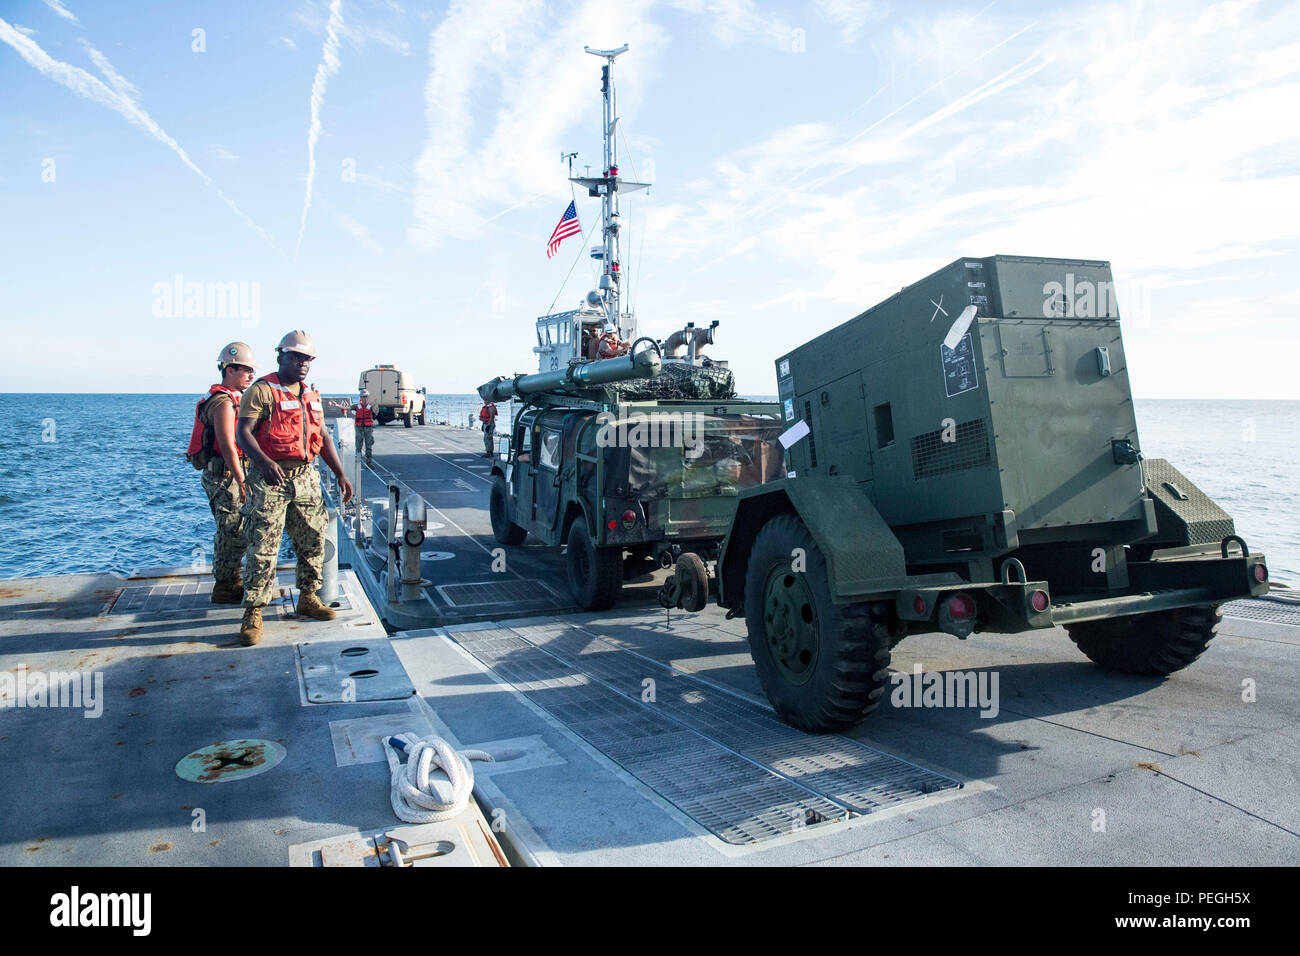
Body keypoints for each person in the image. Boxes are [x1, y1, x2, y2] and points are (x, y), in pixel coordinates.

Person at [235, 330, 354, 646]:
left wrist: (340, 474)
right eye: (296, 357)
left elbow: (324, 437)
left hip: (306, 477)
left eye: (307, 359)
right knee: (263, 546)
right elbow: (242, 433)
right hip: (270, 479)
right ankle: (253, 612)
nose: (303, 363)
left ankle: (309, 597)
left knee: (313, 539)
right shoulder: (261, 391)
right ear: (281, 356)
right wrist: (263, 463)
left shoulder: (311, 394)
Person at [186, 342, 256, 604]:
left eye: (252, 370)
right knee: (230, 530)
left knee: (237, 528)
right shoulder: (223, 403)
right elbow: (228, 446)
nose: (251, 375)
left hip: (232, 472)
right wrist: (241, 480)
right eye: (246, 370)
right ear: (229, 370)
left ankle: (232, 579)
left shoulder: (233, 399)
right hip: (225, 476)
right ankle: (225, 585)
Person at [351, 388, 376, 465]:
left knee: (369, 444)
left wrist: (376, 405)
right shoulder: (356, 406)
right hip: (359, 427)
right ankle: (358, 460)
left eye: (366, 396)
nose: (364, 398)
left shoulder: (370, 406)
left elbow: (375, 411)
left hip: (368, 427)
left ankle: (369, 461)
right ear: (360, 397)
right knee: (358, 444)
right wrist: (337, 405)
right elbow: (347, 408)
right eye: (363, 396)